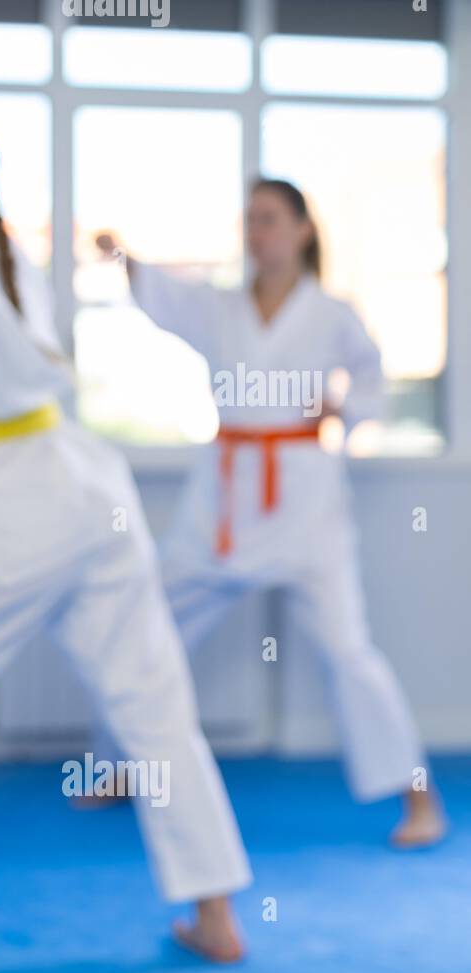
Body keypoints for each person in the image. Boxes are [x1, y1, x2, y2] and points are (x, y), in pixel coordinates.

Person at [0, 98, 252, 963]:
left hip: (8, 513)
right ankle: (216, 914)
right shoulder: (4, 251)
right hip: (84, 489)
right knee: (155, 707)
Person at [95, 177, 445, 849]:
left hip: (304, 500)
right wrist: (124, 258)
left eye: (271, 219)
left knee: (348, 650)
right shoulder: (221, 309)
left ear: (303, 231)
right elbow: (165, 297)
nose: (258, 233)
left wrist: (347, 411)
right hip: (224, 496)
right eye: (250, 221)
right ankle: (118, 765)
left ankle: (418, 797)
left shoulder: (333, 313)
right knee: (151, 619)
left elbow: (371, 378)